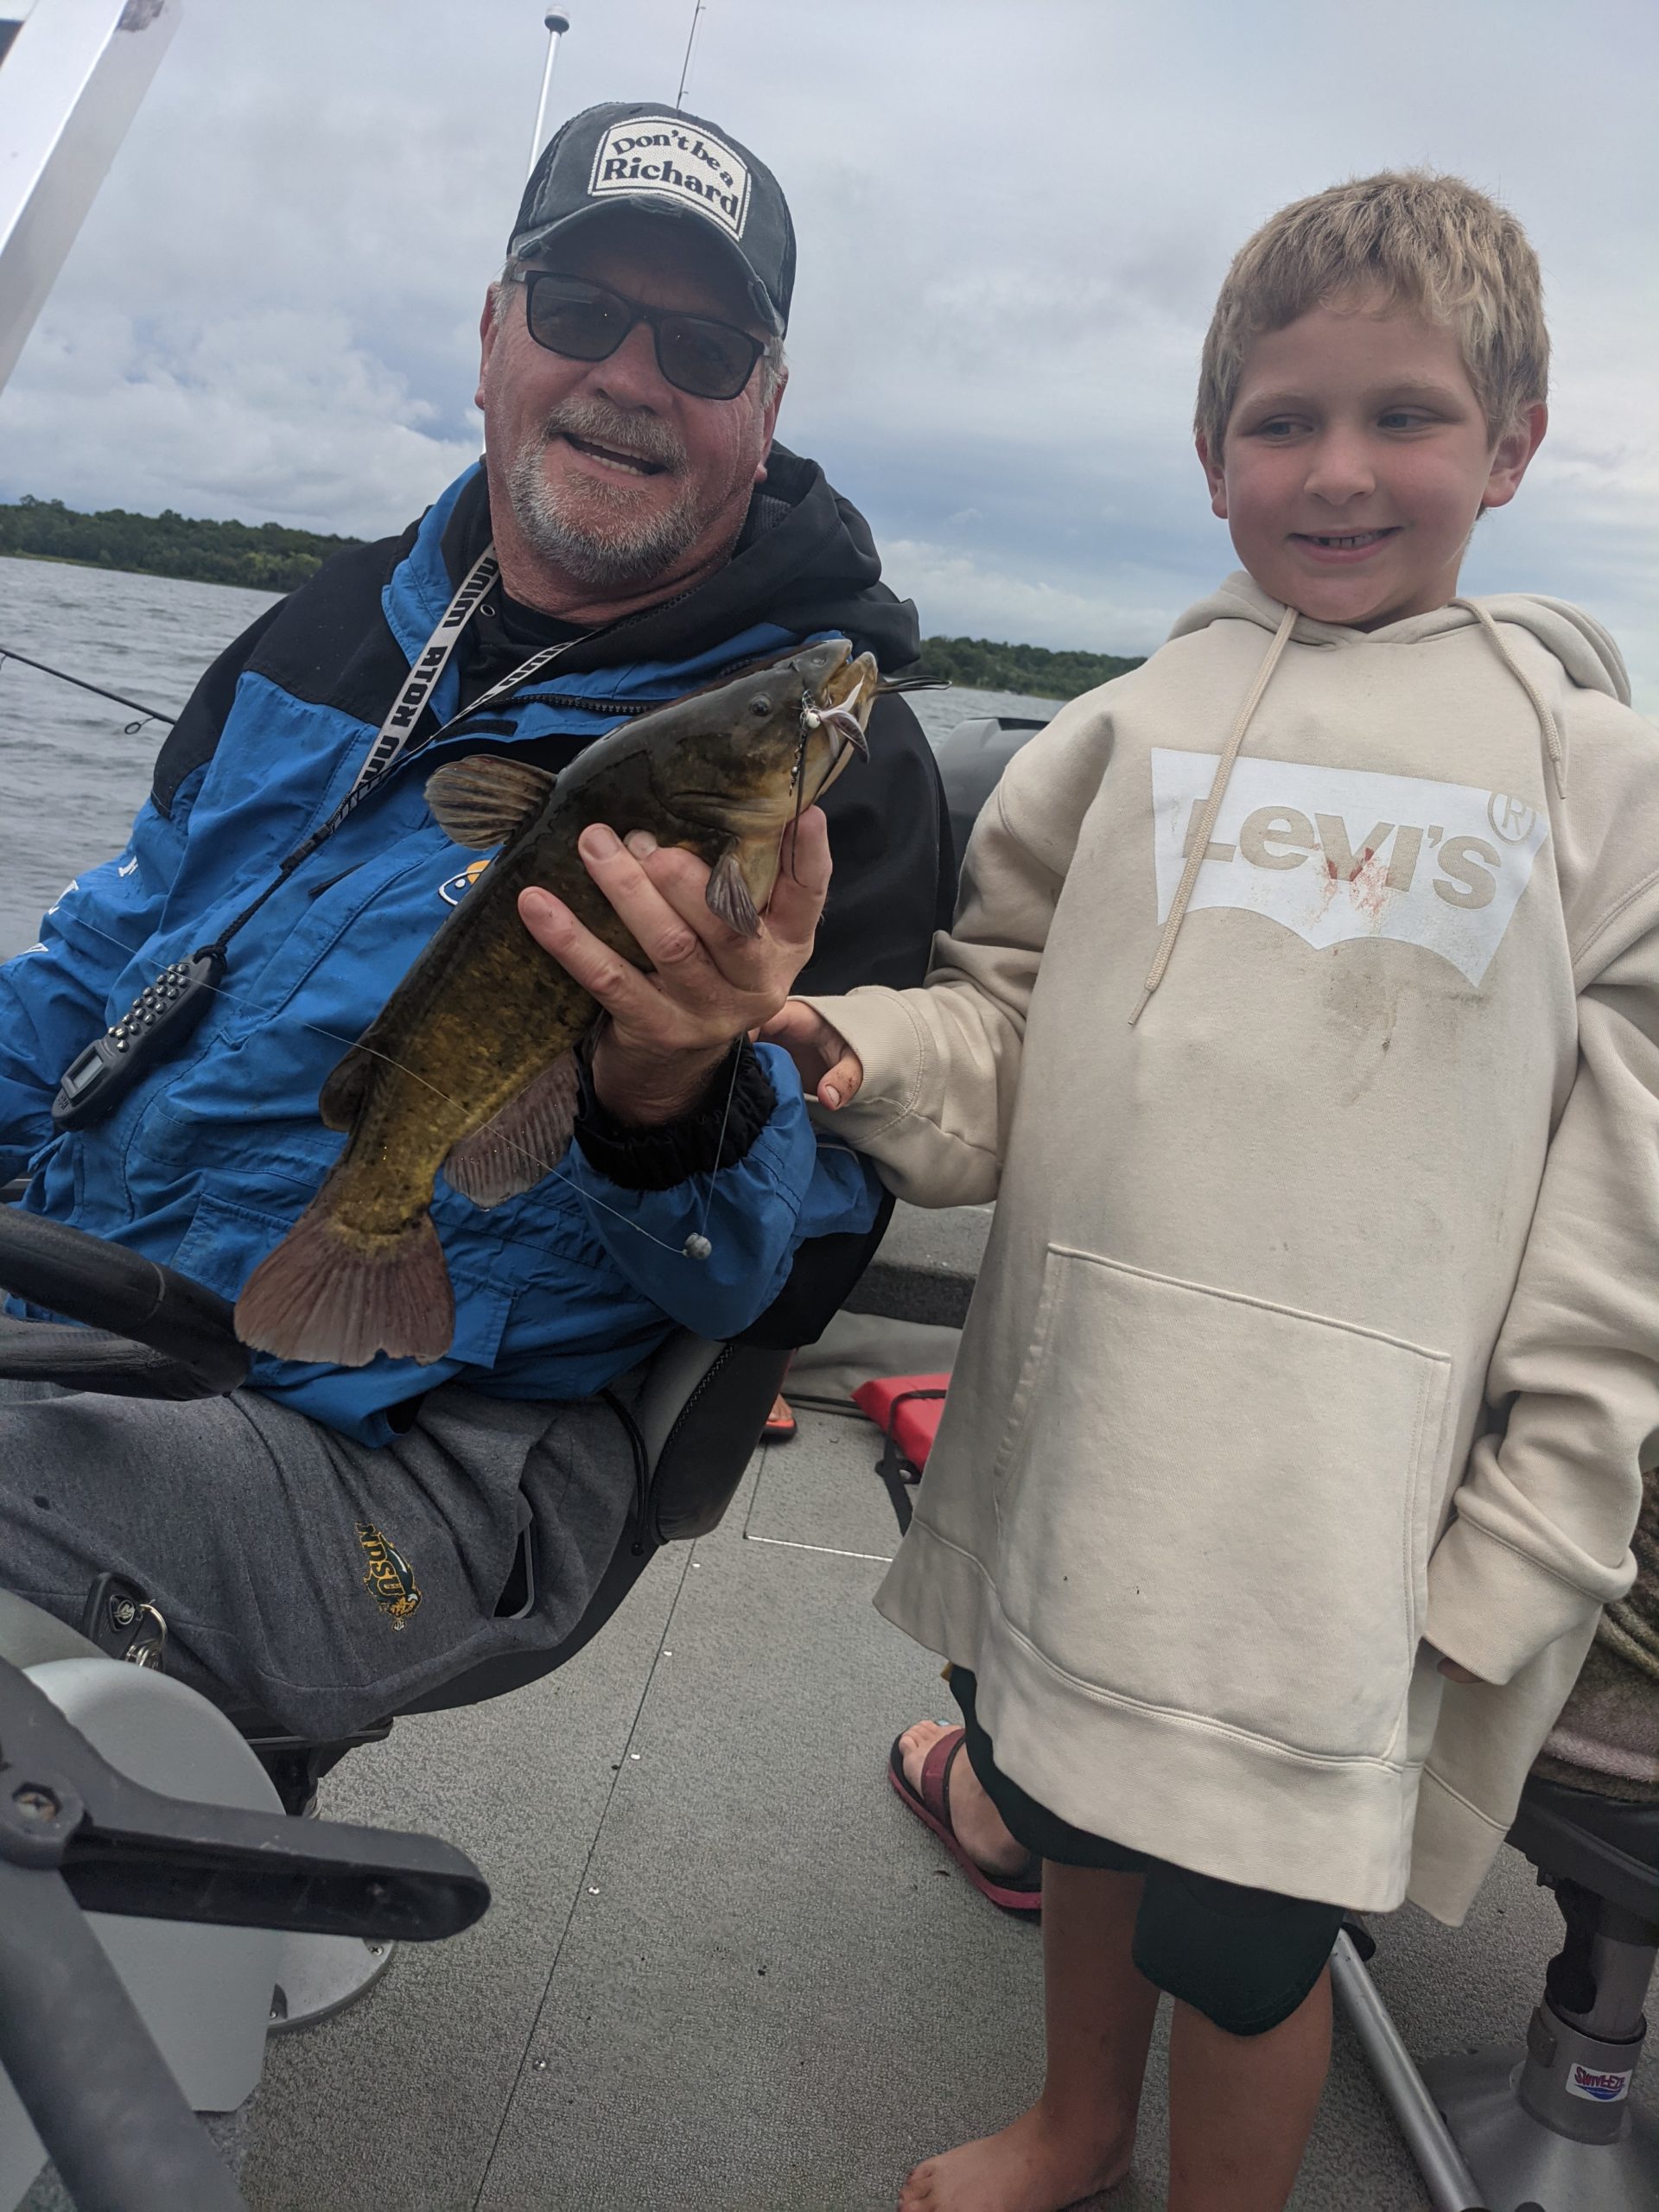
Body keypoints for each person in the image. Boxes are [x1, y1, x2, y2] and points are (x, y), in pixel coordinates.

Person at [765, 171, 1659, 2211]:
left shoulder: (1600, 787)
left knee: (1249, 1944)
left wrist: (1532, 1536)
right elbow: (991, 1051)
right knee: (1069, 1804)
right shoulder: (1116, 735)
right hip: (1080, 1458)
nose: (1337, 470)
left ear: (1514, 442)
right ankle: (1078, 2125)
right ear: (1209, 452)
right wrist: (850, 1044)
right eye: (1282, 420)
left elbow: (1619, 1243)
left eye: (1406, 416)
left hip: (1338, 1538)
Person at [0, 99, 950, 1737]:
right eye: (581, 313)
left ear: (766, 405)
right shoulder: (328, 619)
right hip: (73, 1302)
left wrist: (675, 1102)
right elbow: (100, 960)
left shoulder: (828, 795)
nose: (632, 377)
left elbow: (774, 1281)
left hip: (408, 1439)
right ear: (494, 331)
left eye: (705, 348)